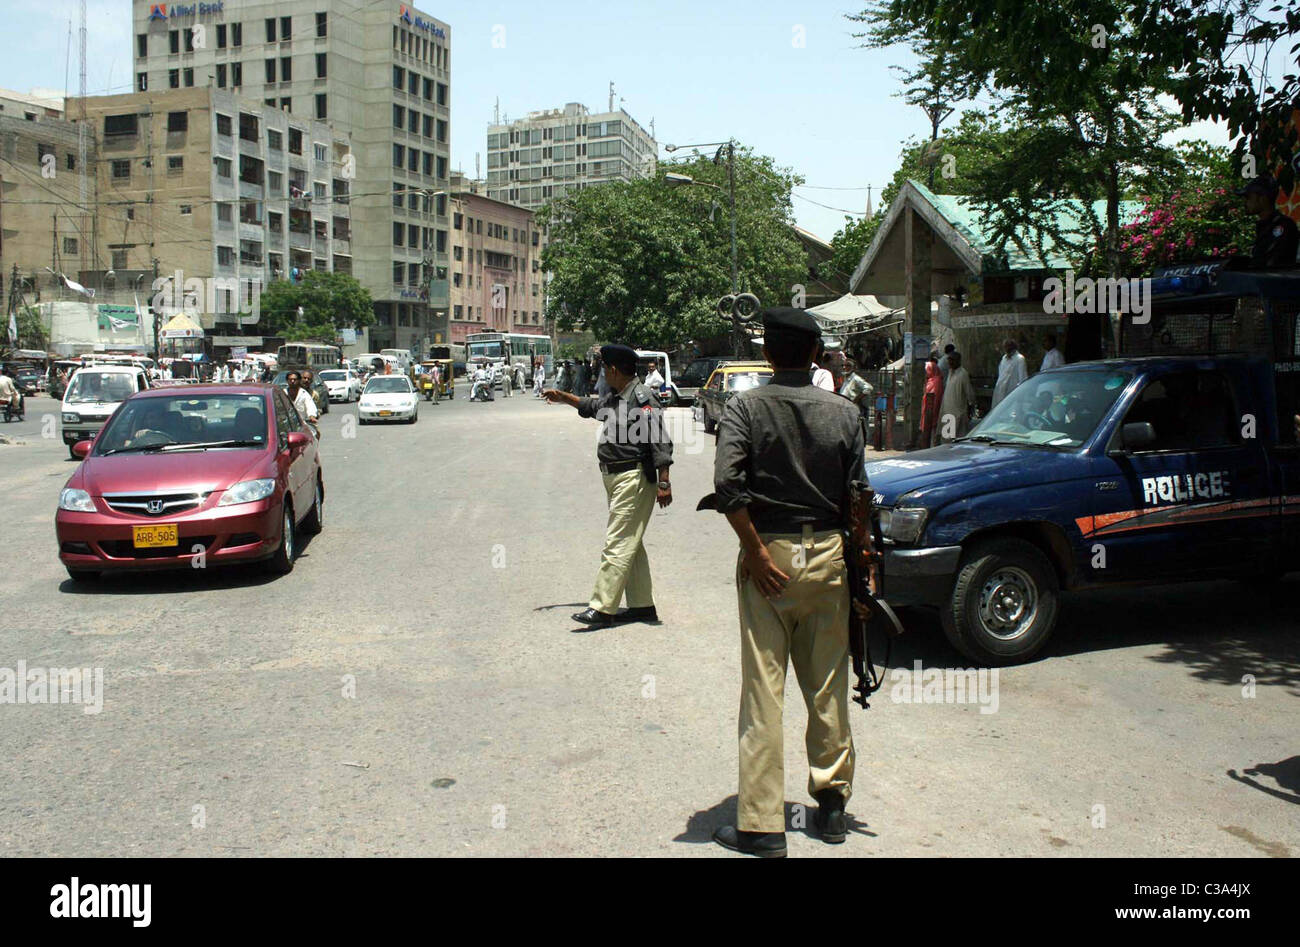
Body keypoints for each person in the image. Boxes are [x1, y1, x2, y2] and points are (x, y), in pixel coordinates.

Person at [709, 308, 864, 858]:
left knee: (763, 694)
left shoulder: (745, 407)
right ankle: (832, 809)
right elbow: (857, 497)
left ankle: (762, 826)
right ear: (817, 355)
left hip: (767, 557)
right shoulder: (846, 413)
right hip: (828, 557)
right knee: (826, 686)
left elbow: (727, 485)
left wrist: (753, 552)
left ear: (769, 354)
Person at [541, 344, 673, 627]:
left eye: (603, 368)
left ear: (613, 370)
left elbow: (660, 439)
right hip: (615, 478)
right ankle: (641, 606)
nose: (602, 374)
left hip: (633, 478)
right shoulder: (616, 397)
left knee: (617, 541)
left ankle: (602, 608)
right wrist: (564, 397)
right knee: (631, 543)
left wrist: (664, 482)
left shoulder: (642, 398)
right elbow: (592, 407)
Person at [1240, 174, 1299, 269]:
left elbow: (1273, 266)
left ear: (1263, 198)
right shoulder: (1265, 227)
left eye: (1248, 197)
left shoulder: (1284, 226)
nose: (1245, 203)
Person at [938, 351, 976, 443]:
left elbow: (969, 394)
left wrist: (971, 407)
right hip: (947, 412)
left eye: (952, 360)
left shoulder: (963, 374)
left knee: (958, 441)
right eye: (949, 360)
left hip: (958, 414)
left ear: (958, 361)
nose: (950, 362)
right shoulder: (950, 373)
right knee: (946, 441)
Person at [992, 338, 1028, 408]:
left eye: (1008, 347)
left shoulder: (1020, 359)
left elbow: (1023, 378)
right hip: (1001, 392)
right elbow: (1001, 375)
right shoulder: (1004, 358)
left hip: (1013, 393)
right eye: (1005, 347)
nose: (1006, 349)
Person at [919, 357, 945, 448]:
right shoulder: (930, 380)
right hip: (927, 411)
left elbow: (937, 397)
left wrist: (934, 413)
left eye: (928, 370)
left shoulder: (937, 381)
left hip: (933, 410)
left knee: (934, 434)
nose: (926, 373)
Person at [284, 370, 318, 435]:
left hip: (302, 425)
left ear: (299, 381)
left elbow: (310, 406)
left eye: (295, 379)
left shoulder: (304, 394)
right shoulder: (283, 393)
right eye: (290, 379)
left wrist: (311, 416)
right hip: (286, 426)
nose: (292, 381)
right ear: (287, 381)